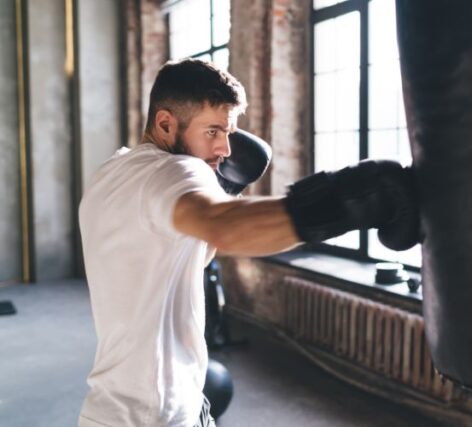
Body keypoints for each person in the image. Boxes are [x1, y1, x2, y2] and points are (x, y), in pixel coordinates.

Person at [77, 58, 418, 427]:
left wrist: (224, 188)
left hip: (114, 408)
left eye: (229, 132)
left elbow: (192, 252)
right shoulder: (175, 169)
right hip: (158, 416)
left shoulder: (111, 173)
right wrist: (347, 204)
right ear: (165, 124)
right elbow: (221, 228)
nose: (225, 148)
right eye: (212, 131)